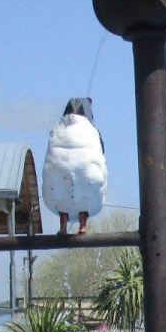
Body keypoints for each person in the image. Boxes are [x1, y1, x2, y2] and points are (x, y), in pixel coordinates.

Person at [43, 97, 106, 235]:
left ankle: (63, 226)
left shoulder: (57, 129)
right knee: (86, 197)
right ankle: (83, 225)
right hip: (88, 171)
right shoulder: (93, 131)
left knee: (60, 195)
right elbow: (102, 151)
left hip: (58, 171)